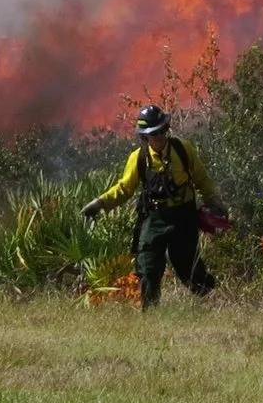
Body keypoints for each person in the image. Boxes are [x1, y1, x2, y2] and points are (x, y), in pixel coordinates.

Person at [82, 104, 227, 309]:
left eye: (161, 131)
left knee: (186, 265)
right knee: (148, 266)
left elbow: (201, 178)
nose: (159, 137)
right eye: (153, 133)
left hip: (183, 216)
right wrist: (99, 204)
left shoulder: (182, 149)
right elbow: (124, 188)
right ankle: (150, 313)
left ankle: (214, 301)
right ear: (144, 137)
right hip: (154, 217)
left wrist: (213, 200)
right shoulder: (138, 158)